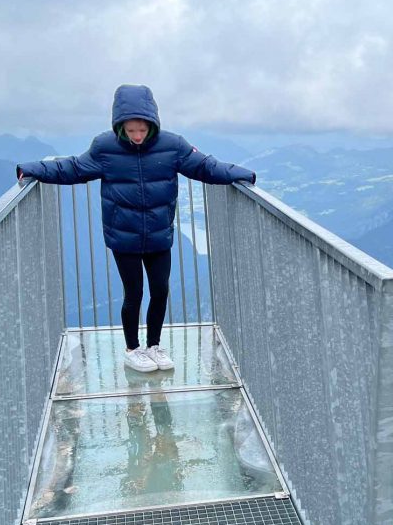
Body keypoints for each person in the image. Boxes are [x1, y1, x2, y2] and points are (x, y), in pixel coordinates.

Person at [16, 84, 256, 372]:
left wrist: (242, 174)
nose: (138, 136)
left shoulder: (173, 145)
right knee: (134, 293)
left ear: (152, 124)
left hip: (159, 234)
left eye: (142, 130)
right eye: (131, 131)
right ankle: (132, 349)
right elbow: (73, 169)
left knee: (160, 290)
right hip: (124, 236)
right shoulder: (104, 148)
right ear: (120, 127)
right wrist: (32, 168)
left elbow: (205, 166)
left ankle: (154, 346)